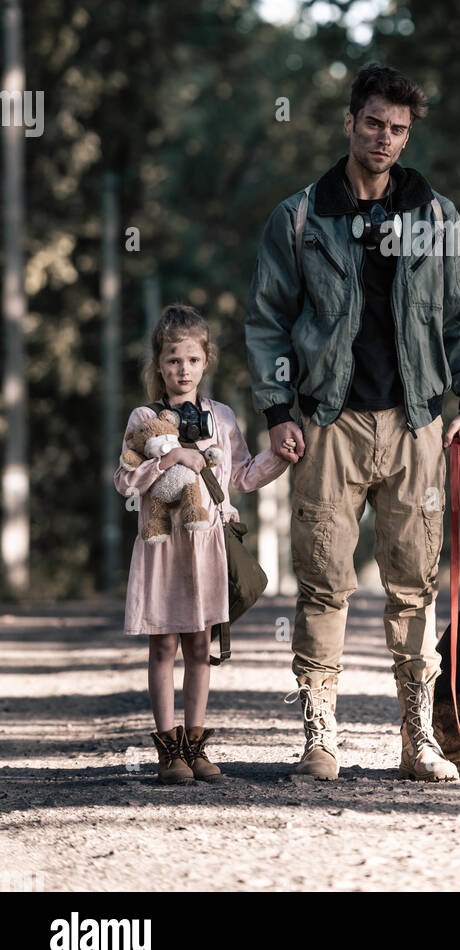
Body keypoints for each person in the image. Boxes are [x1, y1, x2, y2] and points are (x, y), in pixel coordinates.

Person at [245, 63, 460, 781]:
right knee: (324, 582)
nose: (384, 138)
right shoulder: (297, 218)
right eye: (373, 123)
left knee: (413, 584)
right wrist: (276, 412)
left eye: (398, 129)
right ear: (348, 122)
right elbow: (267, 321)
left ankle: (417, 738)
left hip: (416, 423)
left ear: (406, 135)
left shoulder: (437, 217)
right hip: (328, 424)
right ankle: (320, 734)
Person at [118, 303, 288, 785]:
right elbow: (124, 479)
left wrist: (279, 457)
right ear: (159, 364)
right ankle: (167, 750)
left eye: (191, 360)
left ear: (206, 360)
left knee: (198, 647)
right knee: (162, 647)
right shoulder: (144, 417)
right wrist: (170, 457)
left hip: (207, 546)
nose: (182, 369)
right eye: (173, 360)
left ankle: (196, 747)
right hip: (163, 548)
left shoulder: (223, 417)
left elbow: (241, 475)